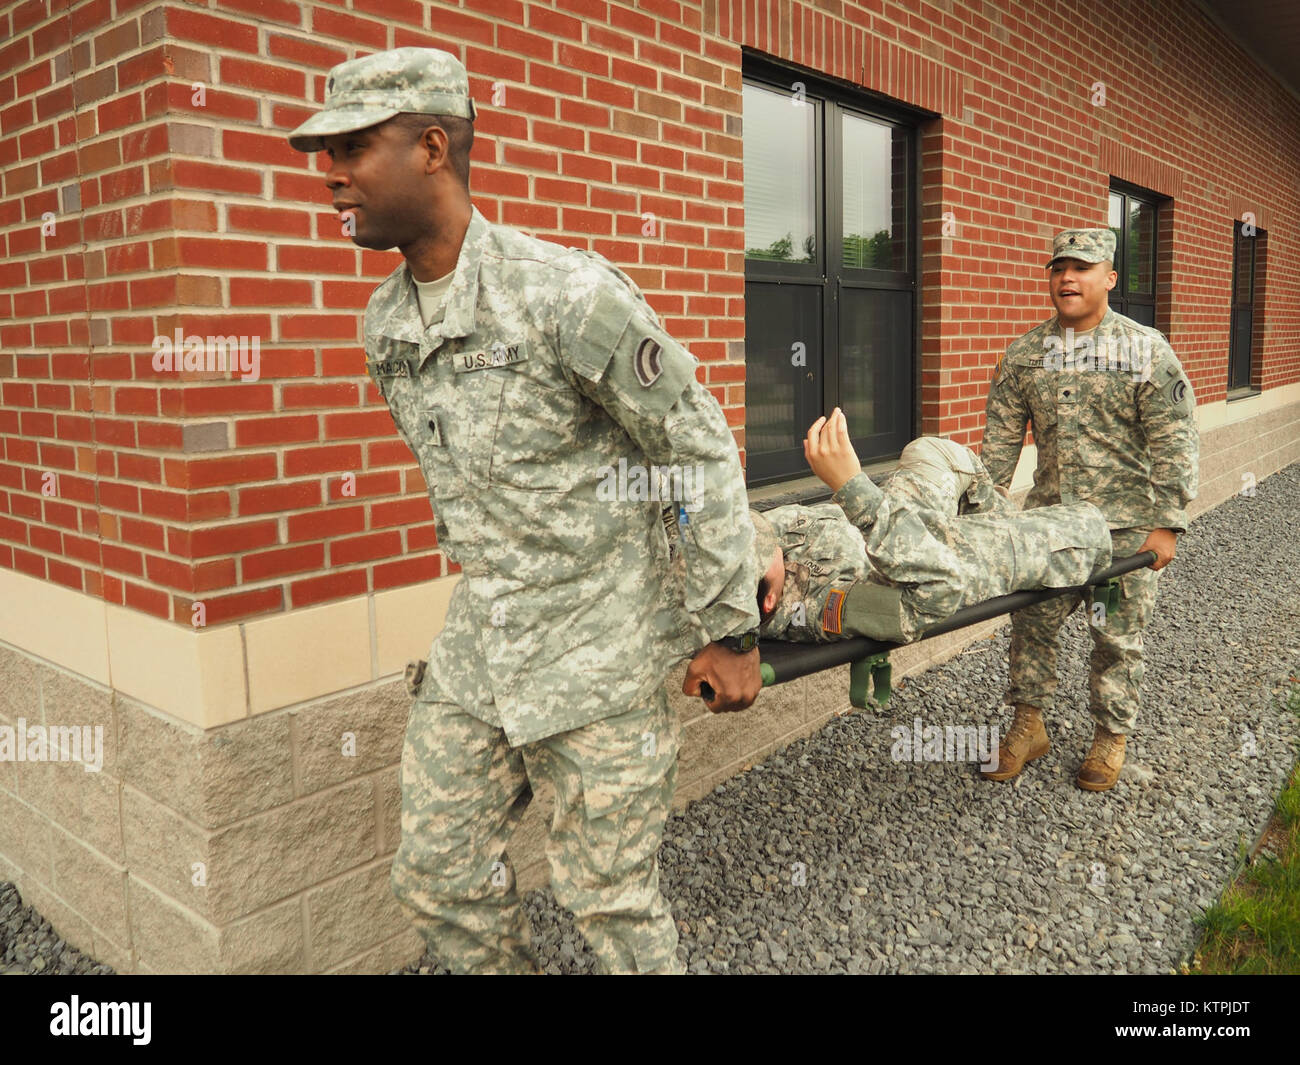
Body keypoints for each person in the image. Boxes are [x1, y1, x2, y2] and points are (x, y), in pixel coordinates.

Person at [286, 47, 764, 974]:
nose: (331, 173)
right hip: (485, 641)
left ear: (431, 147)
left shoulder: (564, 294)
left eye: (352, 145)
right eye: (324, 150)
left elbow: (694, 447)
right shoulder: (385, 320)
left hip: (603, 642)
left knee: (611, 905)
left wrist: (730, 627)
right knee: (437, 878)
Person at [980, 228, 1199, 791]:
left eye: (1081, 268)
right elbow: (1000, 446)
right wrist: (983, 514)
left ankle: (1110, 736)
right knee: (1031, 623)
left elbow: (1175, 439)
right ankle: (1028, 726)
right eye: (1059, 269)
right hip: (1050, 526)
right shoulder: (1025, 355)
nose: (1067, 278)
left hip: (1124, 528)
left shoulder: (1144, 350)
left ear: (1110, 279)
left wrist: (1167, 524)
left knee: (1116, 637)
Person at [749, 411, 1114, 645]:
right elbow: (940, 589)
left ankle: (994, 514)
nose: (771, 535)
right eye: (769, 547)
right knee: (1092, 530)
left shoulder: (746, 554)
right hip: (936, 555)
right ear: (768, 601)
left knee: (931, 448)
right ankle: (998, 525)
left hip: (900, 509)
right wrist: (852, 487)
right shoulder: (817, 610)